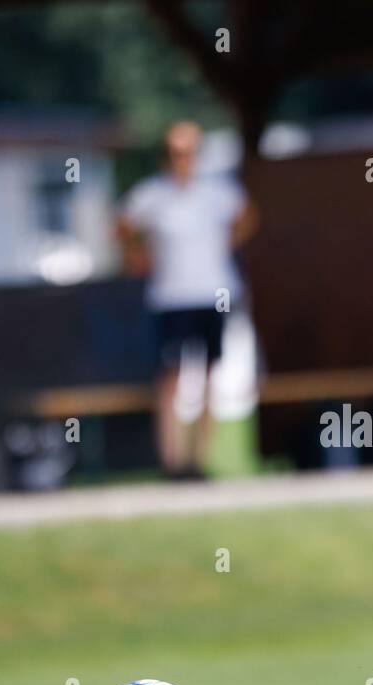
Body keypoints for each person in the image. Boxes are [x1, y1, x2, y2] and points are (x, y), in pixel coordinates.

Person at [118, 121, 258, 481]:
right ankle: (172, 460)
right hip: (170, 297)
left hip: (213, 294)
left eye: (189, 152)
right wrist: (137, 257)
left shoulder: (218, 192)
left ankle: (199, 459)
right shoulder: (152, 194)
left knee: (210, 374)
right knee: (171, 379)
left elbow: (247, 218)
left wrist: (222, 248)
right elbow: (122, 225)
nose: (182, 159)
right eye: (176, 153)